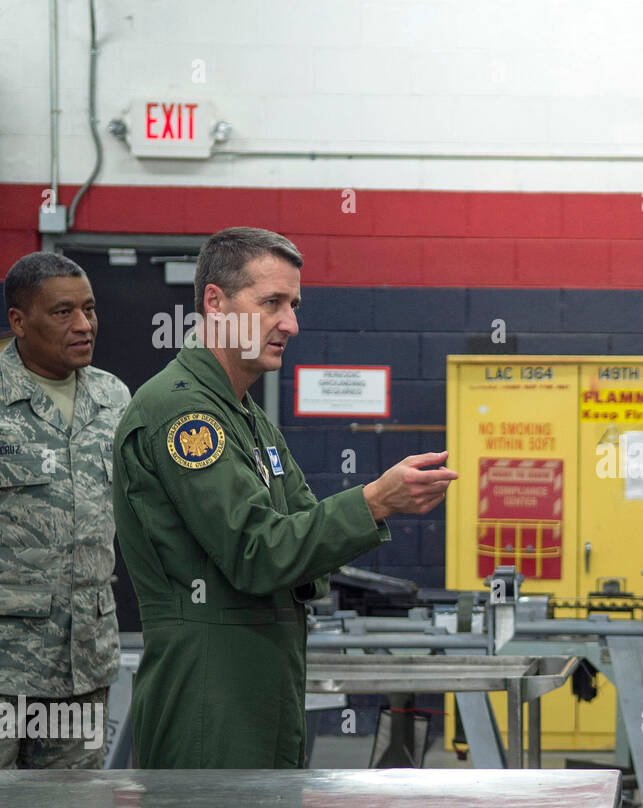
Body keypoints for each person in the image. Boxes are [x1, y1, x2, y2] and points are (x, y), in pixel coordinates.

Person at [112, 227, 457, 768]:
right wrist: (373, 502)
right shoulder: (183, 415)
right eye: (271, 302)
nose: (291, 324)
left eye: (293, 304)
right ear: (215, 302)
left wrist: (306, 550)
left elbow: (305, 563)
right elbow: (261, 554)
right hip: (209, 695)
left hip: (264, 688)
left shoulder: (250, 422)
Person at [0, 252, 129, 768]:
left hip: (84, 660)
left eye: (90, 309)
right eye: (62, 312)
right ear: (18, 321)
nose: (83, 325)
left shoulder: (114, 397)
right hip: (5, 667)